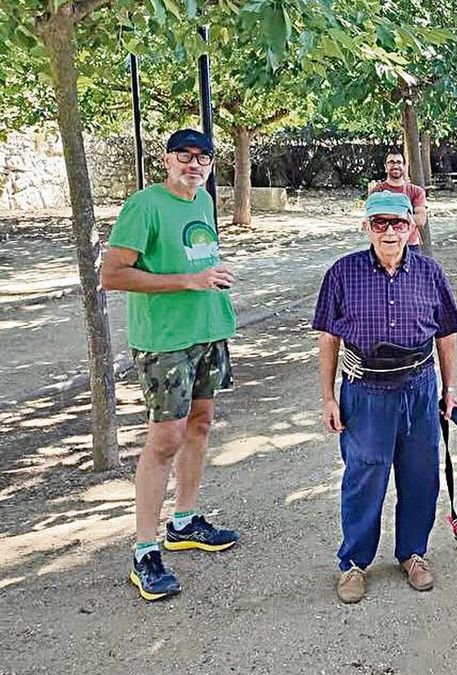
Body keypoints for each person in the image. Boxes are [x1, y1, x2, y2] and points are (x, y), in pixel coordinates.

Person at [100, 128, 239, 602]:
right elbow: (112, 275)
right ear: (166, 159)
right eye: (185, 155)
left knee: (200, 425)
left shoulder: (203, 201)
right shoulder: (144, 205)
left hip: (207, 331)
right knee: (164, 441)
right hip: (165, 342)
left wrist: (210, 280)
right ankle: (145, 551)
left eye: (203, 157)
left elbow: (196, 257)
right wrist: (189, 281)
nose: (194, 163)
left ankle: (184, 521)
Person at [313, 191, 457, 603]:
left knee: (420, 476)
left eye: (398, 223)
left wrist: (450, 389)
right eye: (379, 223)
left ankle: (413, 553)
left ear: (412, 228)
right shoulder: (342, 273)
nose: (390, 231)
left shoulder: (431, 273)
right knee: (364, 477)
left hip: (419, 390)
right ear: (367, 227)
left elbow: (446, 334)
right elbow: (328, 339)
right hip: (364, 392)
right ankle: (353, 563)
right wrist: (328, 398)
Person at [367, 148, 428, 252]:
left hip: (410, 245)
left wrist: (388, 216)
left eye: (399, 162)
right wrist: (404, 218)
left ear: (404, 166)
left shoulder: (416, 191)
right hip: (385, 243)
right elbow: (372, 220)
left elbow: (420, 220)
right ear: (385, 167)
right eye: (391, 162)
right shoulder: (377, 190)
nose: (395, 166)